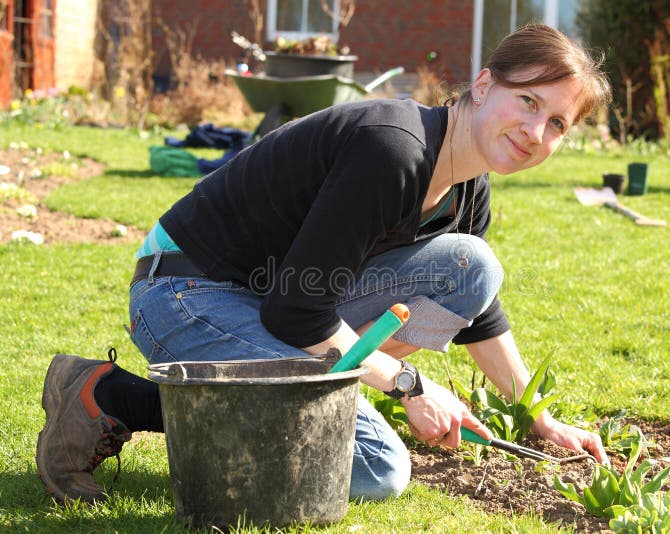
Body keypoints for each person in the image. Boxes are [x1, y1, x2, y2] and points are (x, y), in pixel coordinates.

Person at [36, 23, 612, 504]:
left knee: (473, 268)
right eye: (529, 101)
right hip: (186, 294)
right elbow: (299, 313)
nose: (537, 132)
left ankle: (304, 387)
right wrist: (410, 385)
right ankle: (108, 397)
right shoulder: (395, 152)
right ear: (484, 85)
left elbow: (477, 312)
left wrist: (540, 418)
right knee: (378, 466)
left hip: (273, 300)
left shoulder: (468, 181)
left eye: (558, 123)